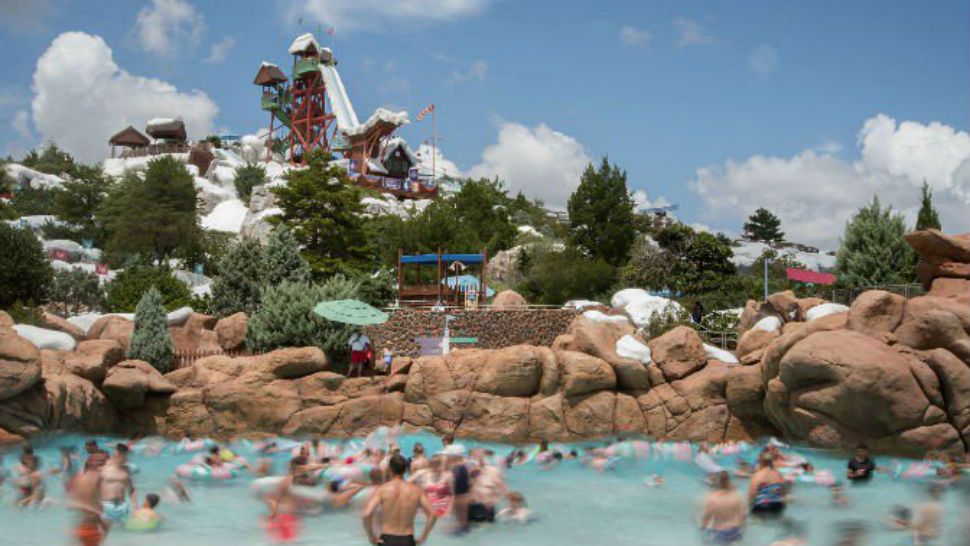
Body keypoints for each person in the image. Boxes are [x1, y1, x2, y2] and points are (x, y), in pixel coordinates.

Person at [362, 454, 437, 546]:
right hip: (407, 540)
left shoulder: (383, 489)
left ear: (390, 469)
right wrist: (423, 537)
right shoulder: (416, 490)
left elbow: (366, 514)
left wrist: (372, 537)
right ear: (405, 469)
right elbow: (433, 514)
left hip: (387, 539)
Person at [69, 456, 109, 546]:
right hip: (84, 528)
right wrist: (96, 512)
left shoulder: (98, 482)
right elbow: (72, 504)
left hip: (91, 528)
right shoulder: (82, 479)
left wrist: (102, 522)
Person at [701, 471, 746, 544]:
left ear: (717, 483)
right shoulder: (737, 497)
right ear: (729, 482)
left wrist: (703, 529)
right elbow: (743, 516)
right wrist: (742, 529)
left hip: (719, 533)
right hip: (734, 532)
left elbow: (707, 516)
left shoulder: (712, 498)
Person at [100, 443, 136, 523]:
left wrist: (134, 506)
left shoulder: (126, 469)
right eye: (126, 455)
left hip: (122, 506)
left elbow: (131, 489)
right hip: (106, 505)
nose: (127, 458)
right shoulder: (103, 468)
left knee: (123, 533)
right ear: (118, 454)